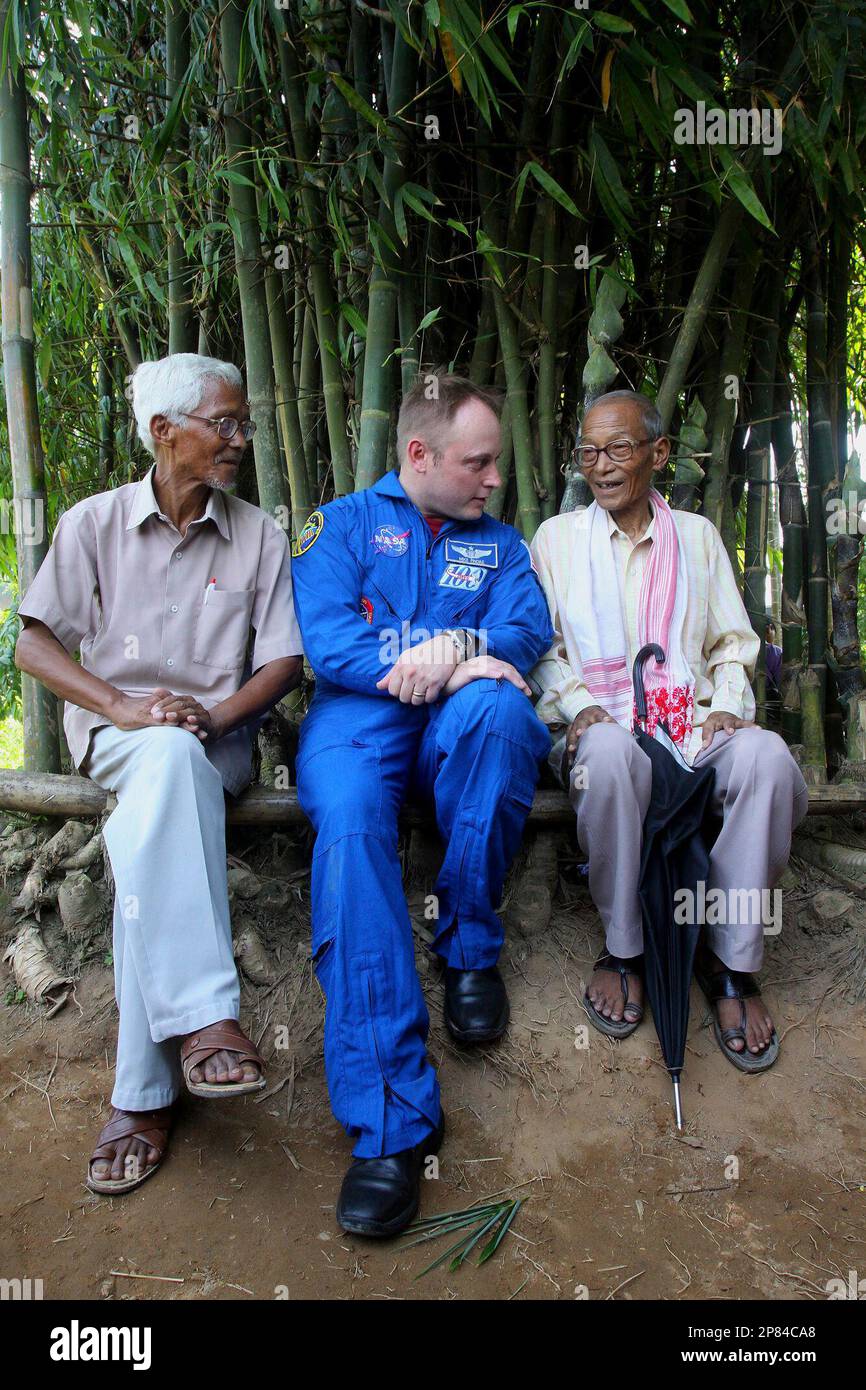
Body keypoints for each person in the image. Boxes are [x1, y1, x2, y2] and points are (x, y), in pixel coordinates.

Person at [15, 354, 304, 1195]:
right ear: (163, 431)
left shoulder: (259, 533)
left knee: (168, 795)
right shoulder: (93, 523)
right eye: (225, 423)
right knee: (164, 759)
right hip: (119, 734)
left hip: (216, 740)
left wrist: (213, 715)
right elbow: (32, 642)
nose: (240, 439)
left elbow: (284, 659)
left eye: (243, 423)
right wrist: (124, 705)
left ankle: (142, 1099)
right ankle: (209, 1021)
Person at [291, 374, 553, 1237]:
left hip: (456, 710)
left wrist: (461, 647)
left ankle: (469, 945)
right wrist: (420, 656)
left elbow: (524, 630)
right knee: (353, 830)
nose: (492, 481)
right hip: (358, 717)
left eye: (496, 465)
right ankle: (392, 1123)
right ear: (418, 455)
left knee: (502, 712)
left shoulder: (505, 546)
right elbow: (329, 640)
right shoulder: (342, 525)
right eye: (478, 464)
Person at [529, 390, 808, 1072]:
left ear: (657, 453)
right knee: (609, 752)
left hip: (690, 734)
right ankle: (624, 948)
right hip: (601, 734)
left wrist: (729, 706)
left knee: (767, 759)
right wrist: (572, 703)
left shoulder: (696, 536)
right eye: (589, 451)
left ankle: (729, 960)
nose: (601, 466)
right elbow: (540, 649)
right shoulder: (556, 541)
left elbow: (734, 645)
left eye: (619, 449)